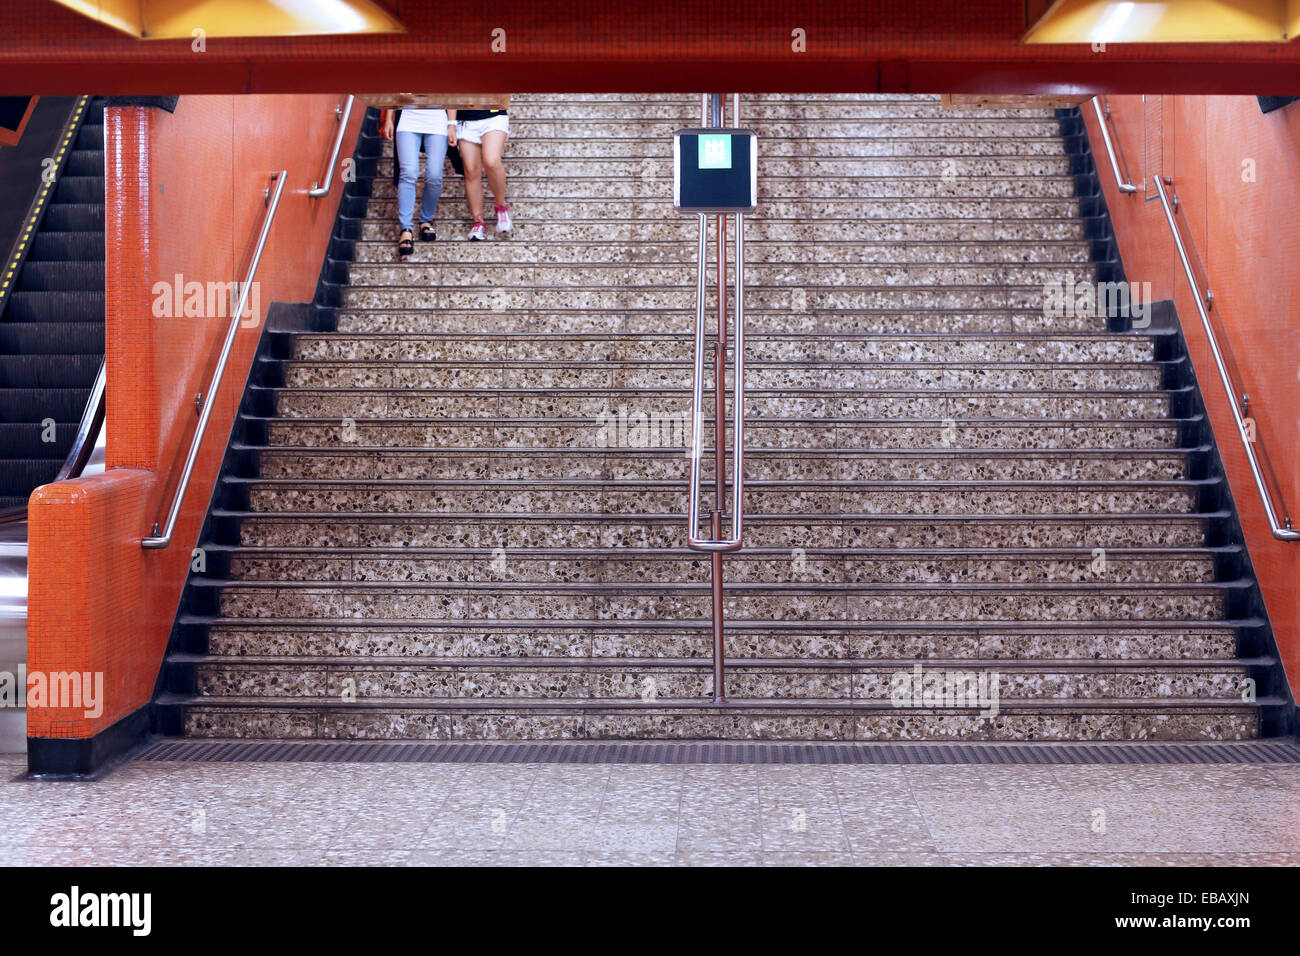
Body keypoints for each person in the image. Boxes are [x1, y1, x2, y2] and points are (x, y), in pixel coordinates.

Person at [381, 103, 456, 255]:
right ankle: (406, 228)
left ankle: (426, 220)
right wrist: (388, 119)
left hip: (438, 121)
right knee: (408, 172)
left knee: (434, 175)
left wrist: (452, 124)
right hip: (408, 119)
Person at [450, 104, 511, 240]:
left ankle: (501, 207)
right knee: (471, 171)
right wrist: (452, 124)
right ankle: (478, 222)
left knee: (492, 161)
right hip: (465, 119)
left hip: (493, 115)